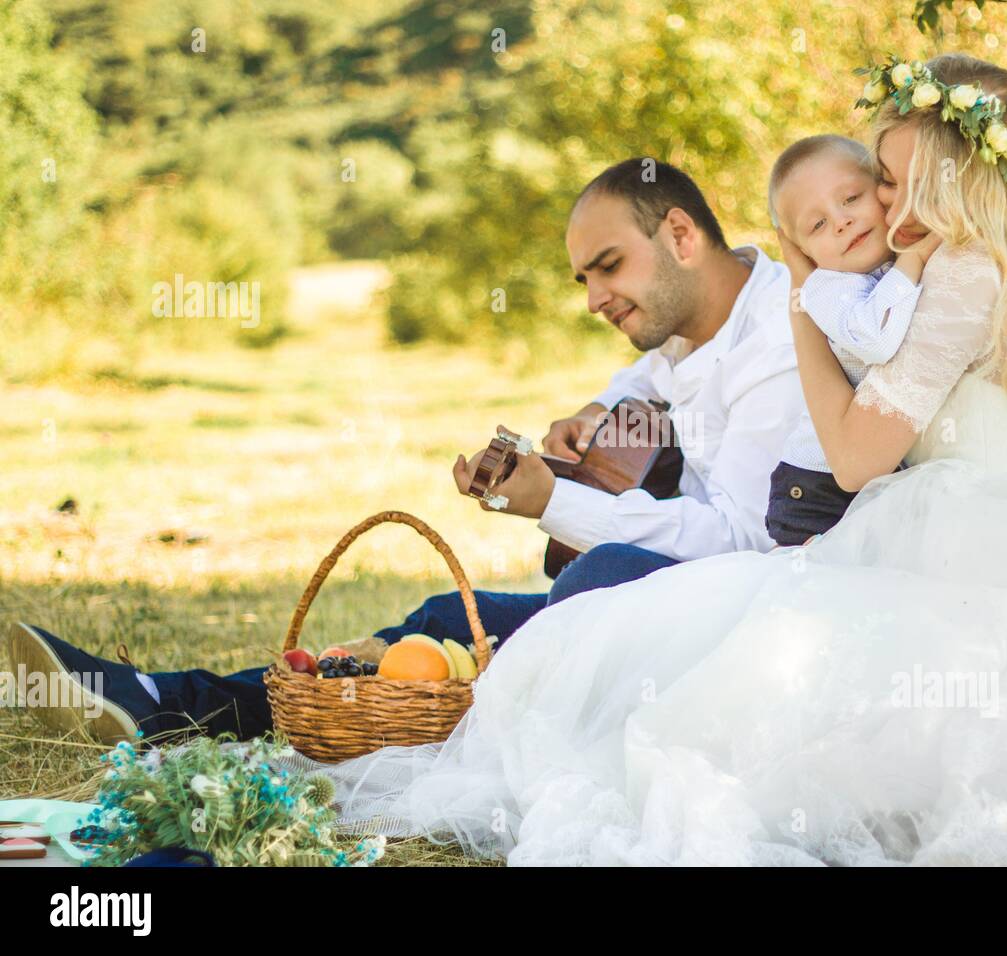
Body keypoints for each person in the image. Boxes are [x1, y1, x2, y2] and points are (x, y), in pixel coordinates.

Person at [305, 54, 1007, 866]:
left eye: (896, 179)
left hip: (951, 564)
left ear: (954, 174)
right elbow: (665, 390)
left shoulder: (955, 275)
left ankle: (382, 685)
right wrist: (596, 426)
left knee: (676, 672)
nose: (881, 200)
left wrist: (801, 310)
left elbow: (862, 456)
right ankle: (368, 672)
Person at [7, 158, 806, 744]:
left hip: (735, 620)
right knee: (434, 625)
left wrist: (551, 501)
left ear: (679, 233)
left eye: (608, 269)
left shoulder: (779, 347)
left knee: (578, 588)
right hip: (672, 598)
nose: (595, 299)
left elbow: (737, 543)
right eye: (583, 279)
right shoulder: (694, 313)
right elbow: (655, 367)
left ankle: (168, 706)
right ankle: (162, 699)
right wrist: (602, 405)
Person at [762, 133, 939, 546]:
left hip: (873, 480)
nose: (841, 221)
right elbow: (875, 339)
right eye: (818, 224)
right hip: (815, 492)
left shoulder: (892, 263)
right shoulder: (825, 288)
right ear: (802, 251)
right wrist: (912, 261)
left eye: (851, 199)